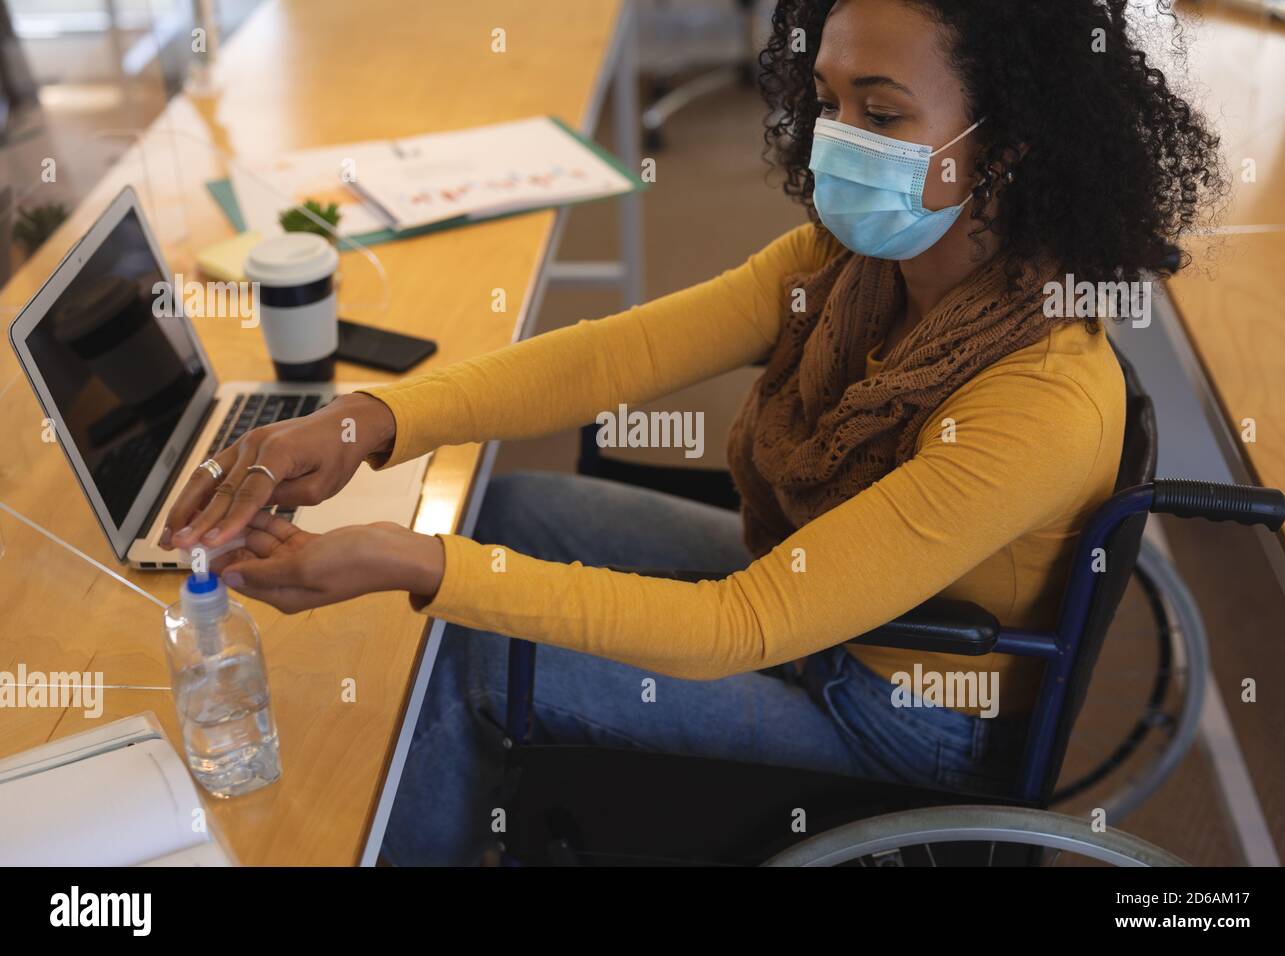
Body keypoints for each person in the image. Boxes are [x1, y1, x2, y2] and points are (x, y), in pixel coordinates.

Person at [164, 0, 1225, 864]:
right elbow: (609, 358)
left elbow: (743, 623)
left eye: (884, 113)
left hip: (901, 715)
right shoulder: (846, 268)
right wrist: (369, 418)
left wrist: (411, 556)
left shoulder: (1039, 395)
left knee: (478, 649)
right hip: (825, 602)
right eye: (828, 101)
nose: (838, 139)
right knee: (509, 506)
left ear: (1007, 145)